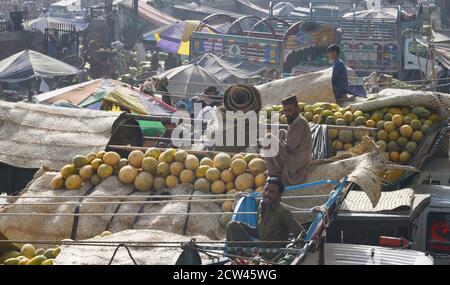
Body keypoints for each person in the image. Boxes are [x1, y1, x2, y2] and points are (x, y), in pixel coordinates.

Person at [226, 177, 305, 261]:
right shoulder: (262, 206)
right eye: (266, 190)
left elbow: (301, 233)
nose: (267, 194)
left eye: (272, 192)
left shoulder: (282, 211)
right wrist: (240, 226)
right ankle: (234, 260)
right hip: (258, 250)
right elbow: (259, 232)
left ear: (279, 195)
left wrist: (295, 246)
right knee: (232, 225)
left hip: (270, 256)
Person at [264, 95, 312, 186]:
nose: (286, 114)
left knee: (268, 138)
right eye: (285, 111)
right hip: (297, 154)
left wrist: (277, 143)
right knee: (282, 132)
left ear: (297, 108)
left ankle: (273, 175)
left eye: (289, 111)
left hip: (297, 161)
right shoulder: (295, 119)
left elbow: (290, 147)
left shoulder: (299, 122)